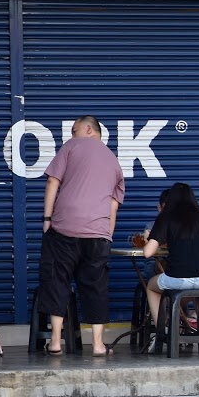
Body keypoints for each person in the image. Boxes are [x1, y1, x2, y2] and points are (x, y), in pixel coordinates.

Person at [39, 114, 125, 356]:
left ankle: (56, 341)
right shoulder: (113, 160)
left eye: (74, 129)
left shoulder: (71, 147)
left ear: (89, 129)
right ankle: (98, 344)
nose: (71, 134)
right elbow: (113, 205)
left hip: (64, 228)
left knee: (57, 281)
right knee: (96, 287)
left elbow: (52, 182)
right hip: (98, 234)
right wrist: (107, 234)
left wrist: (47, 219)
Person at [140, 183, 199, 350]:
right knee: (197, 290)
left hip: (178, 278)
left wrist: (149, 240)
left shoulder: (165, 218)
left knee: (151, 287)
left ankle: (162, 333)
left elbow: (148, 253)